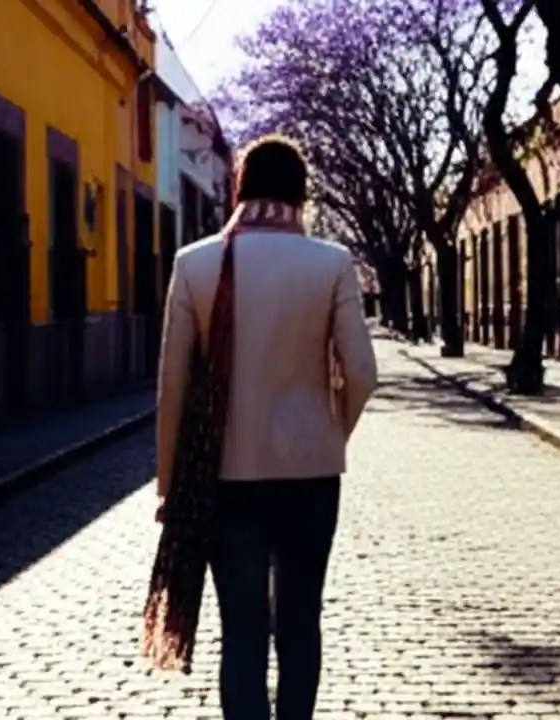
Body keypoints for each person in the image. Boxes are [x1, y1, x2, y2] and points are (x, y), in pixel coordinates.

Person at [154, 135, 378, 719]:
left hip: (226, 480)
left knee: (244, 630)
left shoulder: (194, 264)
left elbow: (172, 387)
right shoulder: (331, 263)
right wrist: (332, 433)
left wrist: (167, 482)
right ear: (302, 192)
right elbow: (361, 372)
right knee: (301, 621)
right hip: (311, 476)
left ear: (239, 187)